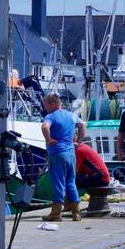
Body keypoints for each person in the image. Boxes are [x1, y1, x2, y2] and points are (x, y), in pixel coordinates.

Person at [41, 93, 80, 221]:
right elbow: (82, 125)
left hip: (57, 153)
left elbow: (45, 126)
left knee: (58, 182)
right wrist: (78, 141)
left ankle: (56, 213)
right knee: (71, 181)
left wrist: (48, 139)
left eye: (46, 104)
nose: (45, 107)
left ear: (52, 104)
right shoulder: (71, 115)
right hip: (70, 153)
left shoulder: (51, 116)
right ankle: (76, 213)